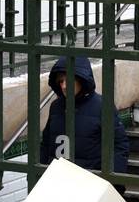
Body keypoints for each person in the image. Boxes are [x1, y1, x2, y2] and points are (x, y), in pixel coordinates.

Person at [39, 56, 129, 187]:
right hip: (58, 183)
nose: (64, 86)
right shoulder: (56, 106)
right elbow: (46, 144)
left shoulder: (102, 106)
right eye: (61, 81)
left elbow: (119, 146)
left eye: (68, 80)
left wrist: (113, 184)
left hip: (90, 184)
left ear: (81, 80)